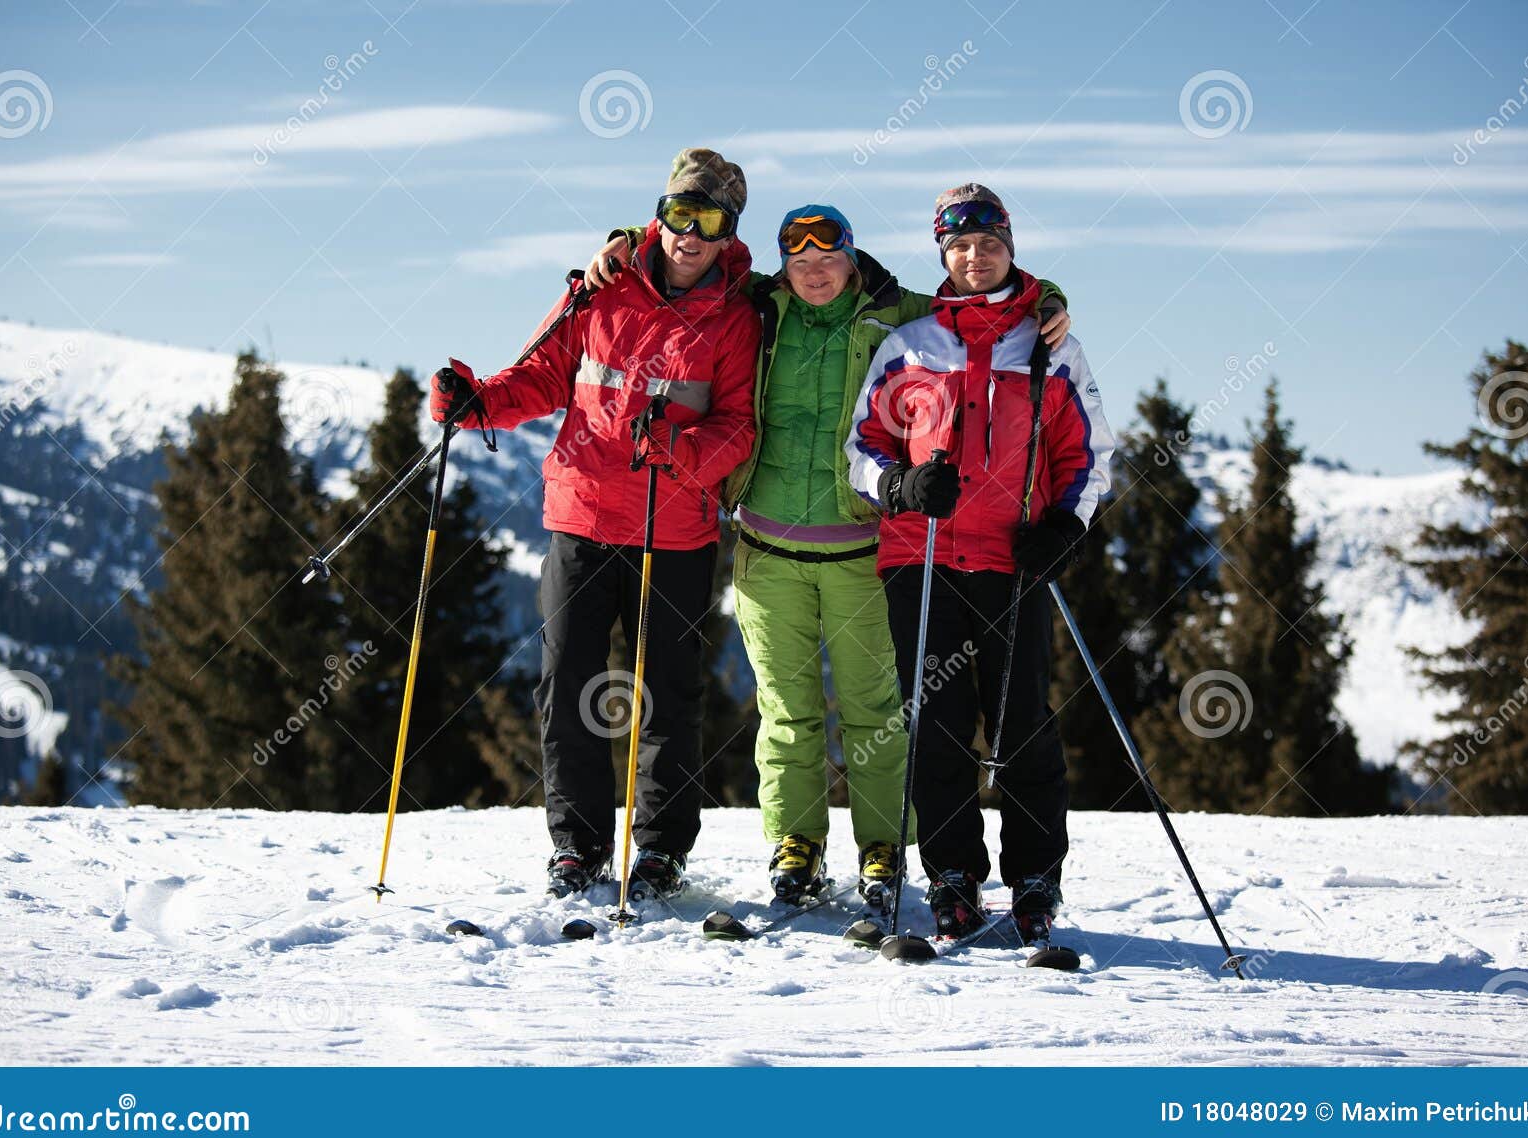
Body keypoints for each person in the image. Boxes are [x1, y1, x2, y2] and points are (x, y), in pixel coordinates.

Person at [588, 203, 1072, 910]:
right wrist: (629, 241)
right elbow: (689, 256)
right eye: (801, 264)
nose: (815, 274)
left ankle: (882, 845)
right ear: (784, 269)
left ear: (853, 259)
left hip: (862, 551)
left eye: (828, 260)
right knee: (786, 710)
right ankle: (797, 840)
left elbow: (980, 299)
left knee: (876, 711)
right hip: (765, 545)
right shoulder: (754, 309)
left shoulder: (896, 314)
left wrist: (1049, 295)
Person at [431, 148, 760, 900]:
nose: (691, 232)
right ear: (661, 211)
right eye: (681, 212)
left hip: (673, 528)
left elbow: (739, 426)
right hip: (582, 516)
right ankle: (576, 847)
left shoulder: (738, 317)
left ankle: (661, 851)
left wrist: (680, 448)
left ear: (729, 230)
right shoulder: (599, 289)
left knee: (668, 694)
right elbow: (543, 373)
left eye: (710, 219)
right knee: (566, 682)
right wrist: (476, 401)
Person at [845, 183, 1114, 941]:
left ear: (1009, 248)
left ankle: (1034, 877)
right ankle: (952, 874)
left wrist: (1066, 525)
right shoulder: (912, 345)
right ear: (943, 254)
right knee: (937, 725)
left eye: (989, 243)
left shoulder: (1049, 343)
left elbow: (1087, 452)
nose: (975, 257)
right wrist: (899, 483)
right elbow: (863, 447)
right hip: (920, 557)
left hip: (1011, 560)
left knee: (1021, 722)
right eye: (959, 247)